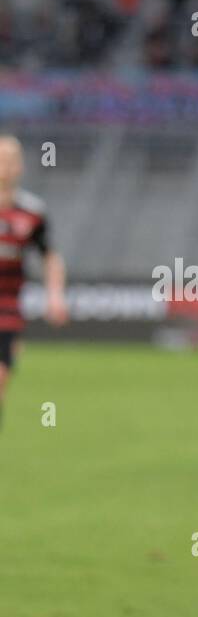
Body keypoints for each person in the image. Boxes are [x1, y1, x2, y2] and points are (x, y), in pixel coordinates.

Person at [0, 135, 67, 433]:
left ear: (20, 167)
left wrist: (55, 296)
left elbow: (50, 257)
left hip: (8, 311)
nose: (5, 166)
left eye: (11, 160)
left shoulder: (31, 212)